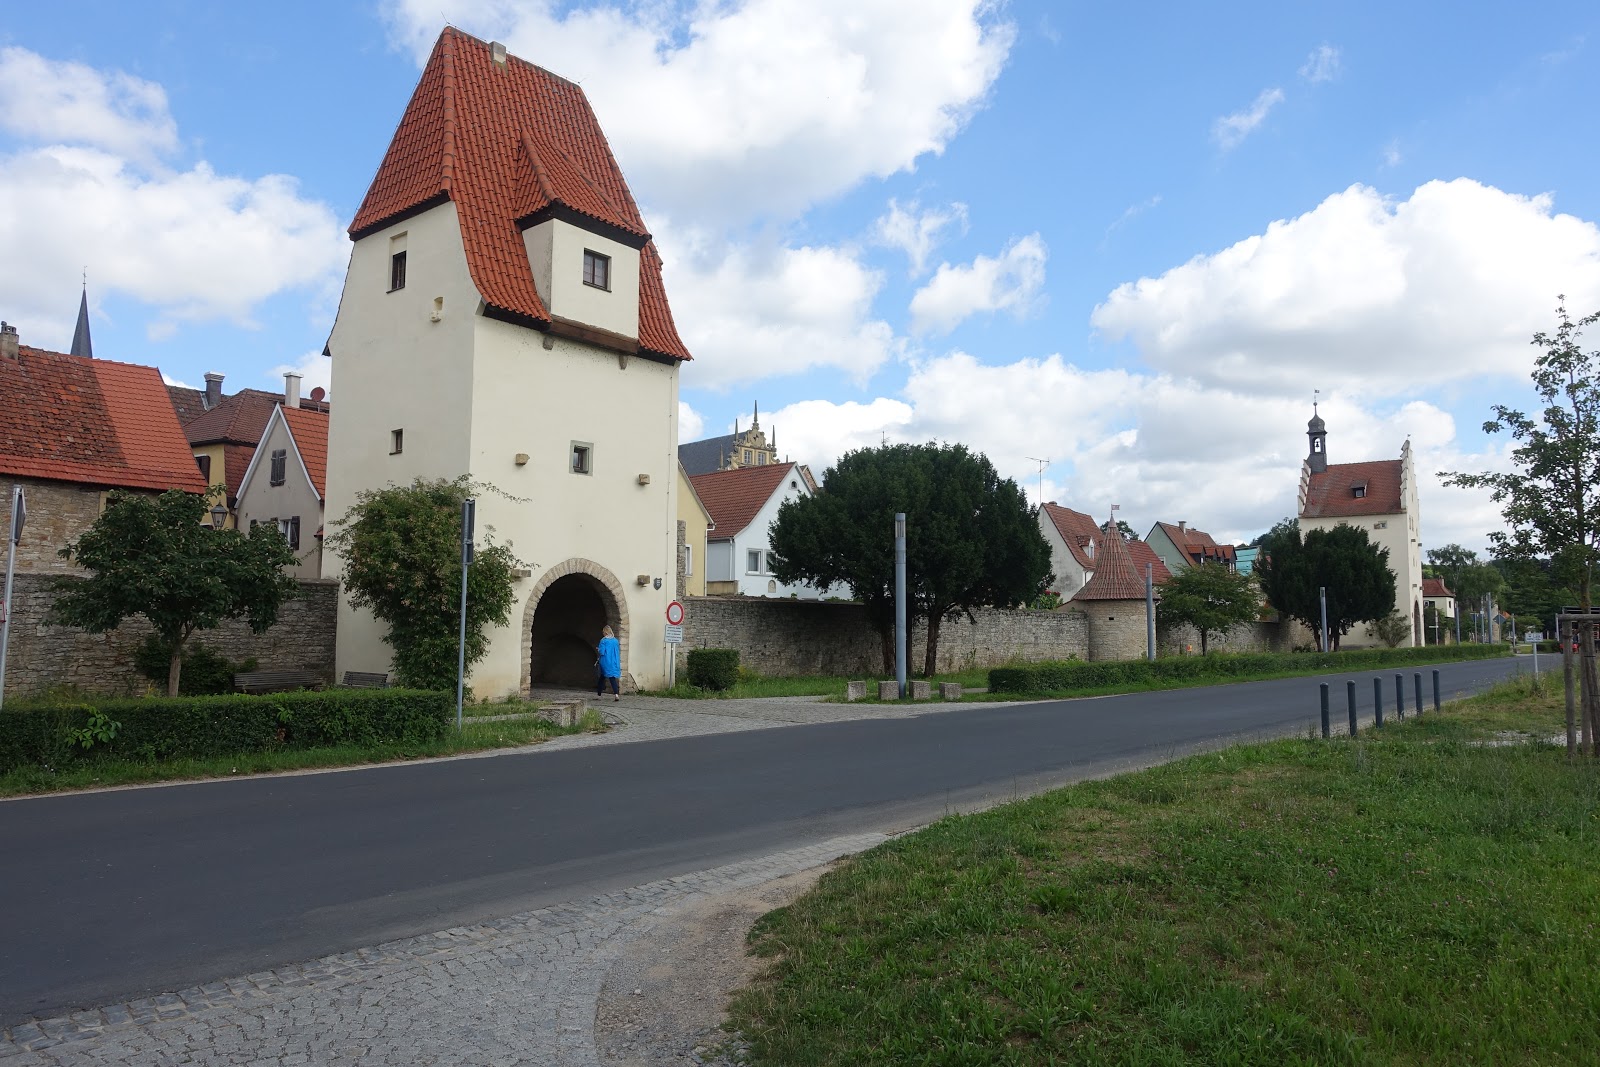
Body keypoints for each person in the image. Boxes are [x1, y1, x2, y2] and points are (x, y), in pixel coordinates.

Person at [596, 625, 622, 701]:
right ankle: (616, 694)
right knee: (612, 678)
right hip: (614, 661)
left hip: (606, 661)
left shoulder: (603, 641)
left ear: (605, 632)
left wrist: (599, 649)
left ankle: (599, 695)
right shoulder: (615, 640)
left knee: (602, 678)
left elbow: (602, 652)